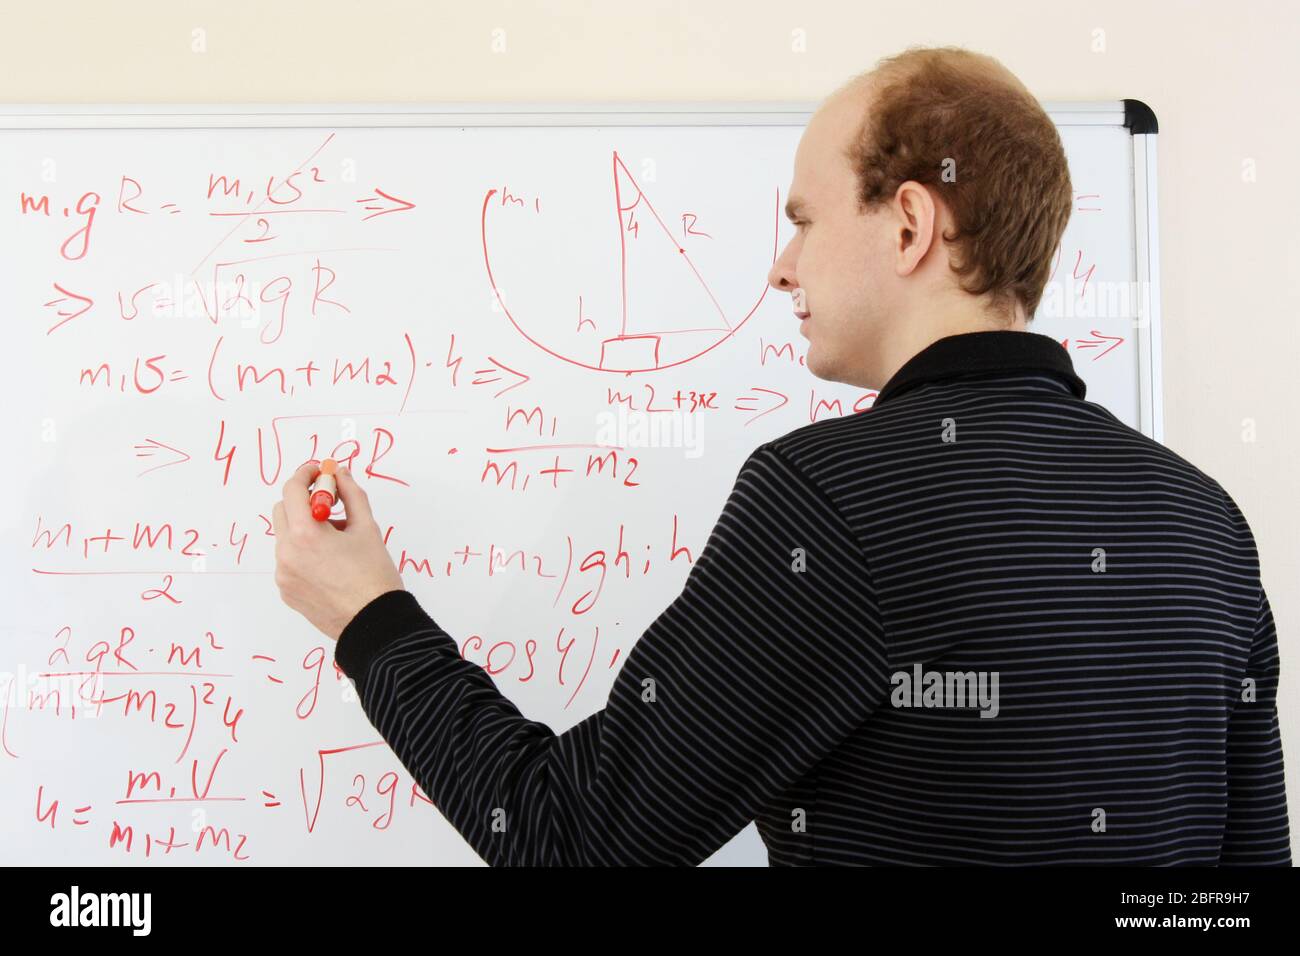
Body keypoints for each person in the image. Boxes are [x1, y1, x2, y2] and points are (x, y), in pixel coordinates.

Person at [272, 45, 1290, 865]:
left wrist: (369, 617)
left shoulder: (833, 498)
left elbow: (567, 838)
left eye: (804, 219)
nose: (781, 265)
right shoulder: (1206, 519)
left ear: (909, 224)